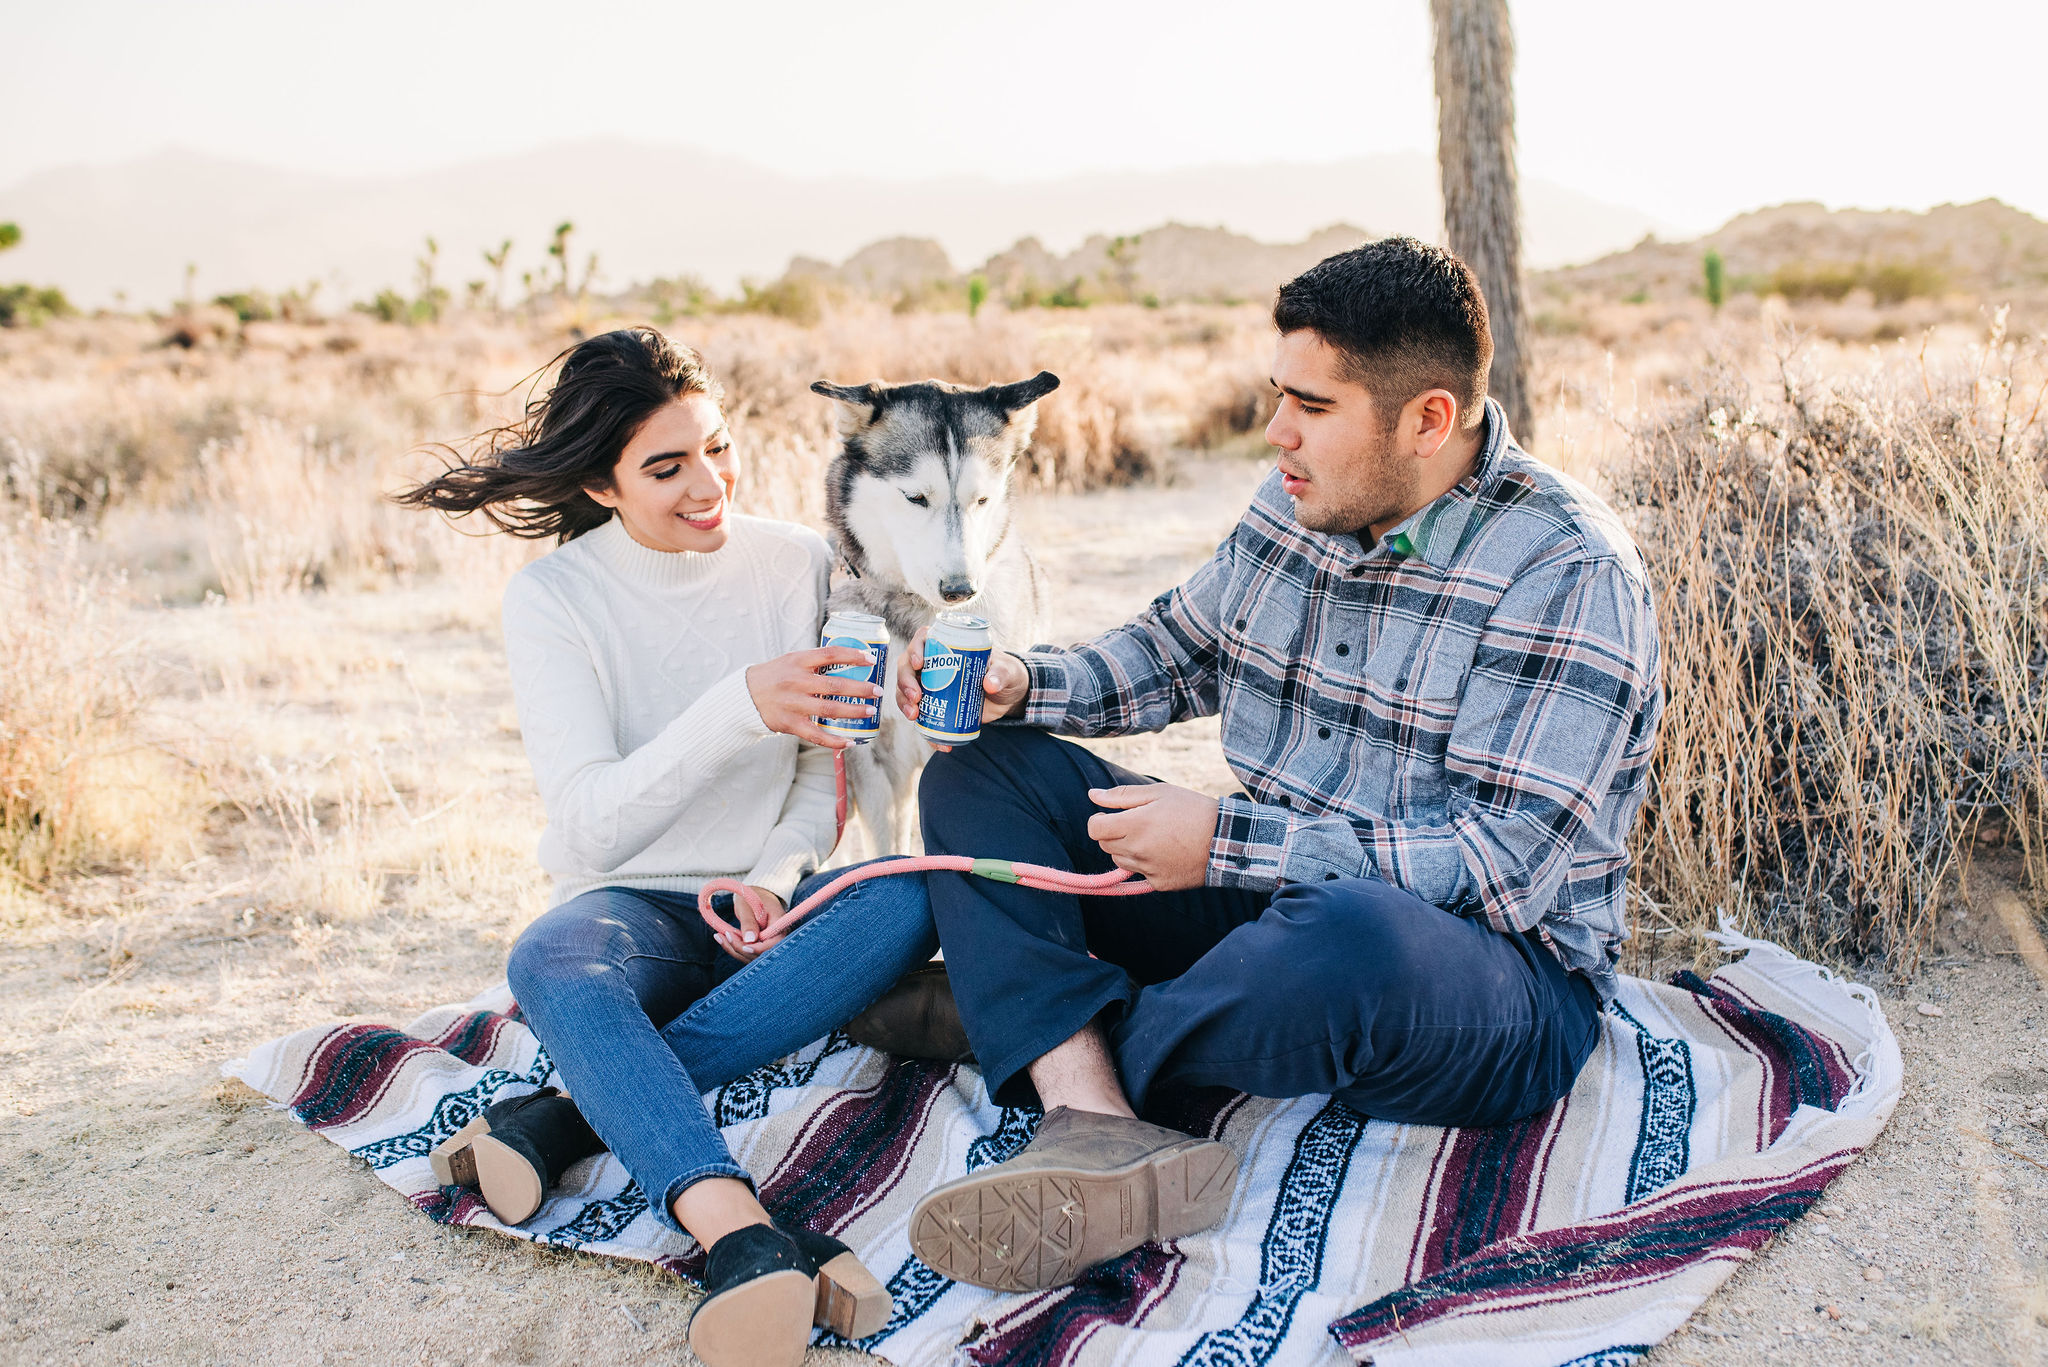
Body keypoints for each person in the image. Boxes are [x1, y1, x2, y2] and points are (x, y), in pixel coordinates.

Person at [888, 239, 1664, 1294]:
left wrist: (1219, 842)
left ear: (1427, 419)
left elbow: (1501, 867)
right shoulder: (1299, 495)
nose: (1275, 432)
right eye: (1273, 395)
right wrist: (1024, 684)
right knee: (980, 776)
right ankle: (1094, 1113)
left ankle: (1023, 1020)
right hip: (1267, 901)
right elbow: (1182, 647)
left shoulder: (1564, 571)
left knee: (1348, 937)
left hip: (1488, 977)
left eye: (1311, 404)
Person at [396, 328, 935, 1367]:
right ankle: (738, 1230)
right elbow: (586, 826)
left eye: (718, 447)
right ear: (601, 485)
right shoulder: (554, 600)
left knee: (911, 891)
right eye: (666, 466)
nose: (708, 484)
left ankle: (565, 1116)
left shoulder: (795, 561)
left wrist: (772, 877)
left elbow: (812, 778)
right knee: (547, 956)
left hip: (765, 908)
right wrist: (734, 704)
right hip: (627, 914)